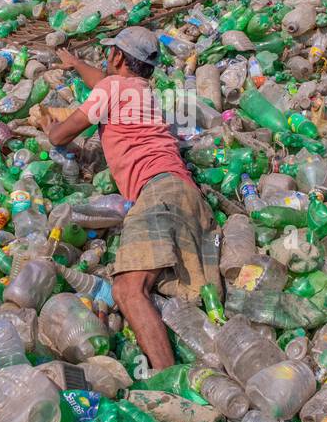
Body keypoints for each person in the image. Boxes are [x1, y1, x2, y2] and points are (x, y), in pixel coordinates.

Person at [42, 26, 220, 371]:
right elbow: (103, 82)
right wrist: (75, 62)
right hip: (185, 192)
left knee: (127, 291)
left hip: (156, 194)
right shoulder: (141, 91)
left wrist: (49, 125)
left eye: (111, 53)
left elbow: (61, 135)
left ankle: (169, 382)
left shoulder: (112, 89)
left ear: (119, 57)